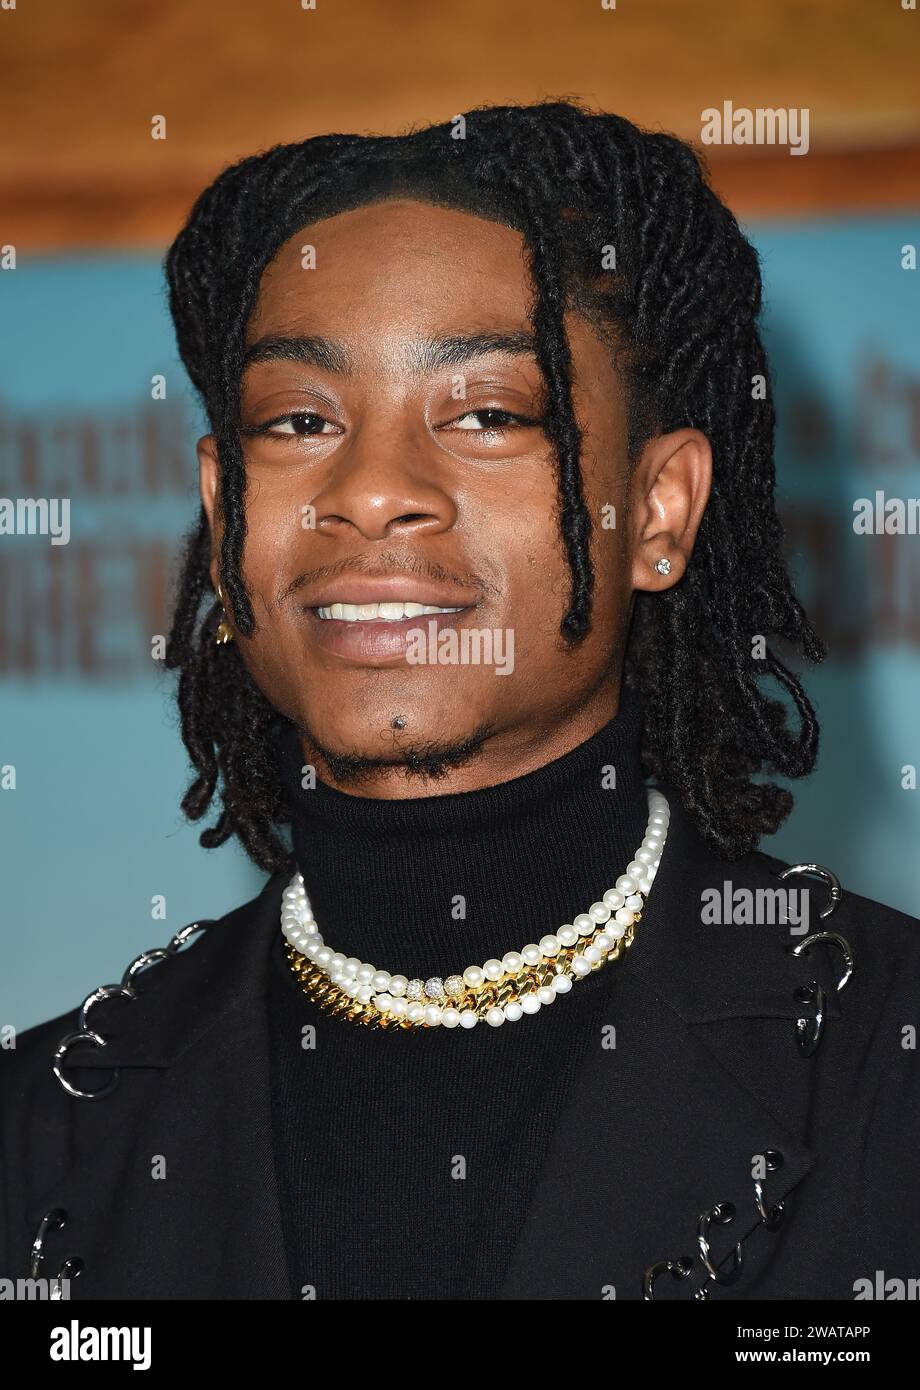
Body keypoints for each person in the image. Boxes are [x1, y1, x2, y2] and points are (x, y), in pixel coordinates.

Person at [2, 100, 918, 1302]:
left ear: (656, 510)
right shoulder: (46, 1121)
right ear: (225, 511)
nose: (372, 491)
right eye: (299, 420)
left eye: (488, 414)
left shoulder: (883, 1068)